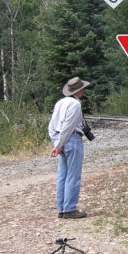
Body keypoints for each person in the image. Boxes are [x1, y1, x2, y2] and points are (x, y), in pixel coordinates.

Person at [48, 76, 90, 219]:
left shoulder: (60, 103)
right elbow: (68, 126)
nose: (83, 90)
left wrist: (57, 143)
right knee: (73, 175)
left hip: (62, 139)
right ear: (78, 90)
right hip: (72, 139)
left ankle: (62, 208)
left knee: (62, 176)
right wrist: (59, 144)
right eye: (82, 88)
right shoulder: (75, 105)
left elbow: (52, 126)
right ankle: (69, 209)